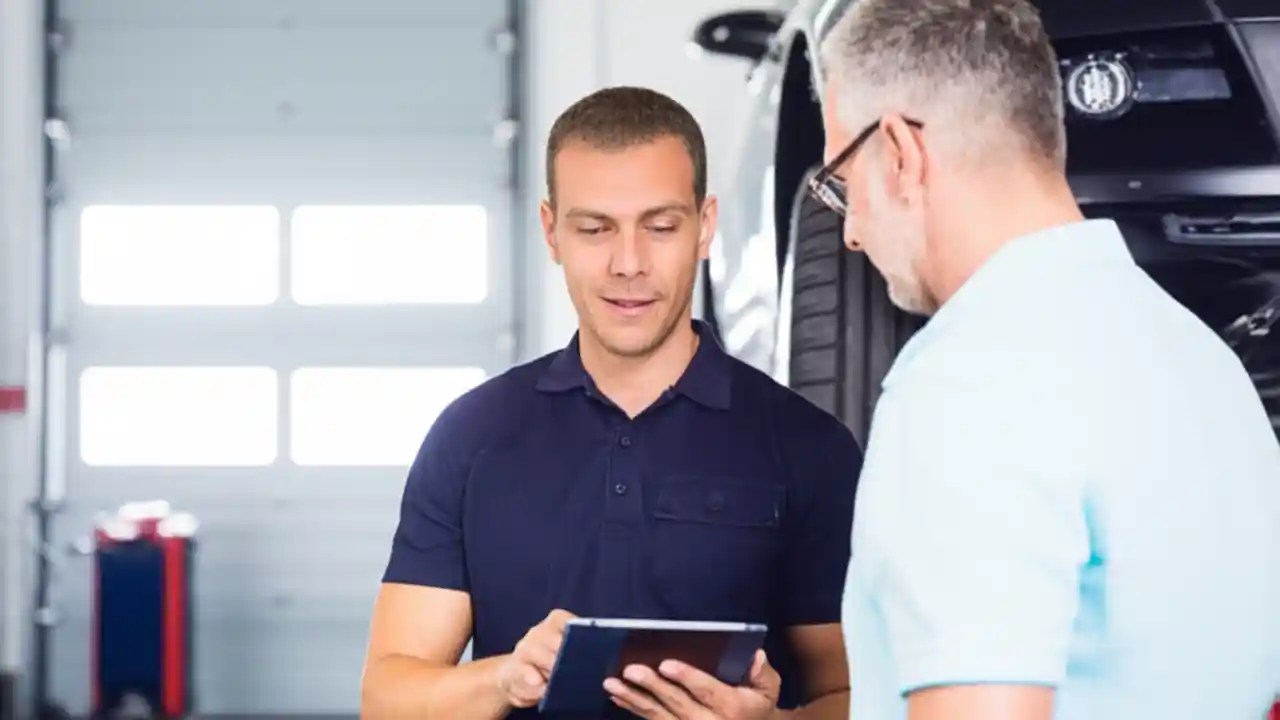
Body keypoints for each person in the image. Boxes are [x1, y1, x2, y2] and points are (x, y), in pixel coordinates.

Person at [811, 1, 1280, 719]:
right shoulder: (1204, 363)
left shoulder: (967, 383)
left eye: (843, 182)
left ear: (902, 153)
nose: (851, 232)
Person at [360, 86, 860, 720]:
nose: (629, 263)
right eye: (596, 229)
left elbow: (861, 699)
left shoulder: (809, 447)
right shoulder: (471, 436)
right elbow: (386, 699)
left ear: (705, 226)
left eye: (660, 226)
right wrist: (504, 679)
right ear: (552, 232)